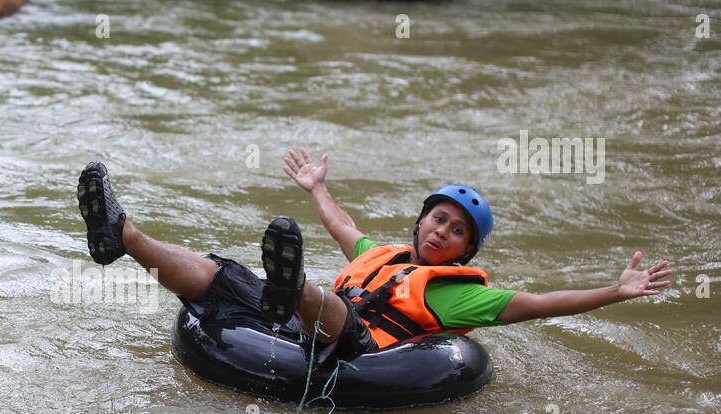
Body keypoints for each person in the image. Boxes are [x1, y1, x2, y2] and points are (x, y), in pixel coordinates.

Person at [75, 149, 672, 362]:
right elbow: (342, 225)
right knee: (220, 275)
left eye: (457, 231)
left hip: (355, 348)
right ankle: (121, 234)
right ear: (421, 221)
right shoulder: (379, 253)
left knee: (330, 305)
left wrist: (614, 292)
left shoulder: (457, 292)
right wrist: (315, 188)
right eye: (438, 218)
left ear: (465, 252)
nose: (442, 231)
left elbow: (539, 303)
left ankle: (293, 288)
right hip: (294, 323)